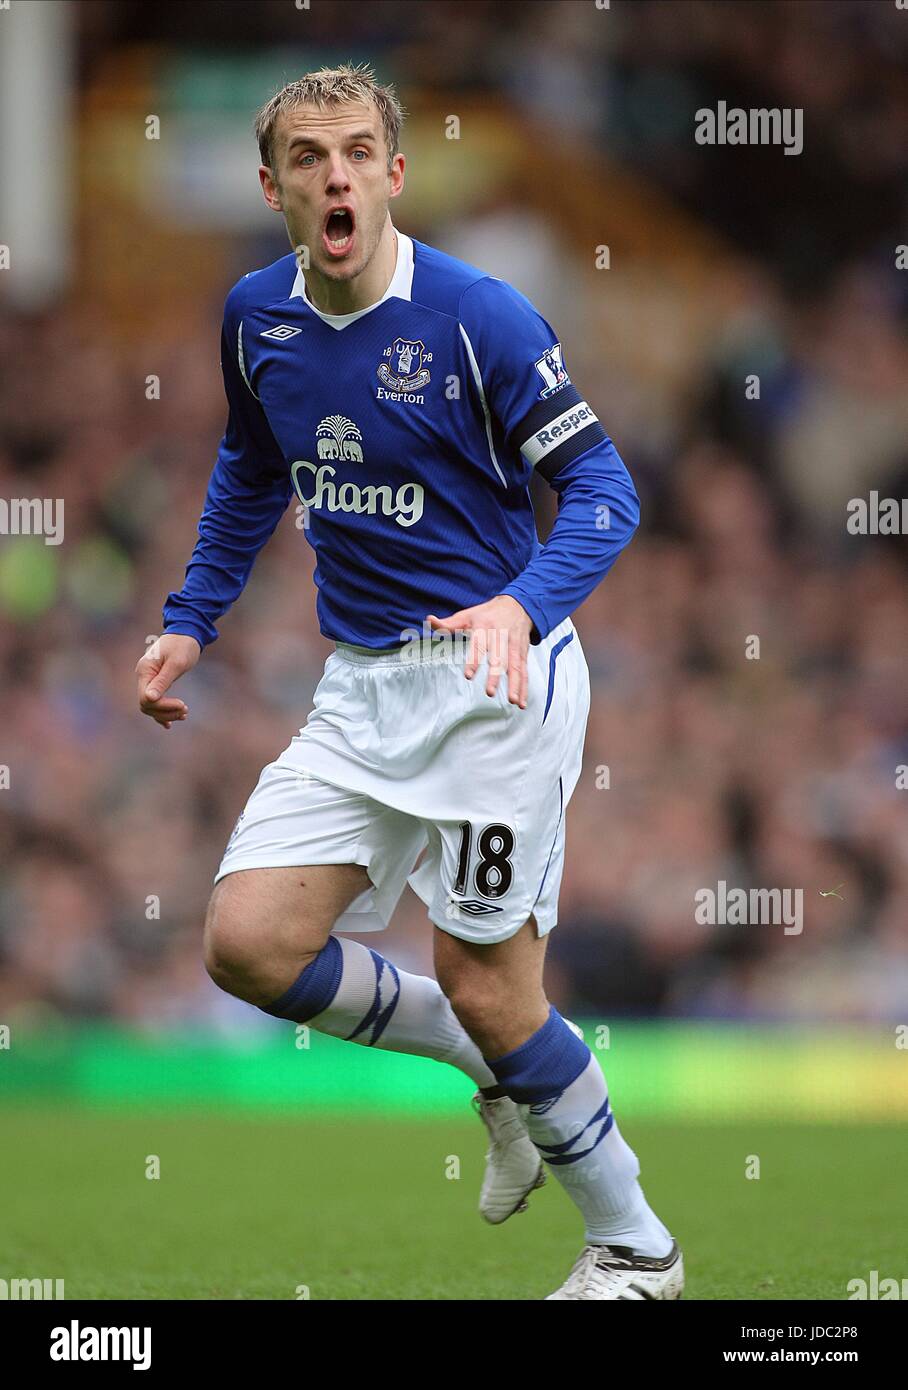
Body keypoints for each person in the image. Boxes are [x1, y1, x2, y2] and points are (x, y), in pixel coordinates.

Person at [135, 62, 681, 1301]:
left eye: (357, 152)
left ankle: (637, 1250)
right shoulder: (252, 318)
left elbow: (606, 494)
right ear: (271, 184)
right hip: (362, 685)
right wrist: (190, 621)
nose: (336, 175)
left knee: (496, 984)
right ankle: (486, 1071)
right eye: (309, 157)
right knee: (247, 944)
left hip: (497, 686)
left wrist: (520, 603)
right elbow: (247, 468)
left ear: (394, 172)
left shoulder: (480, 317)